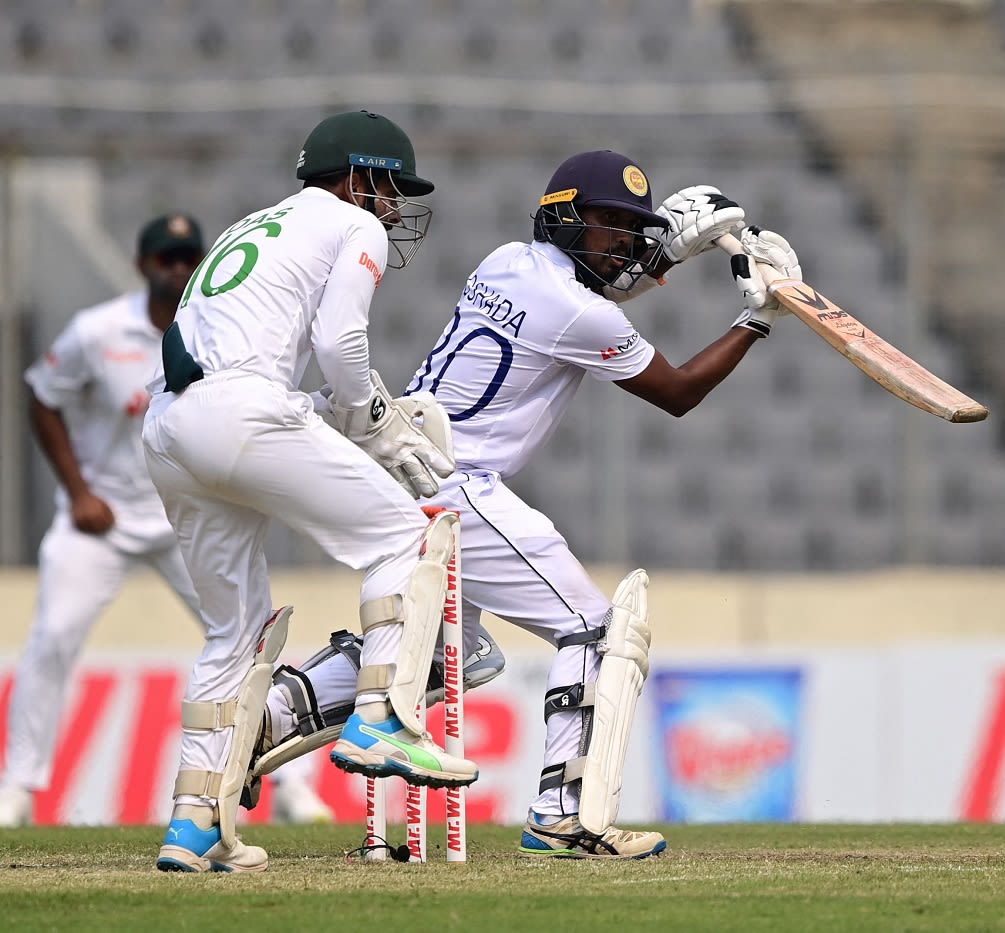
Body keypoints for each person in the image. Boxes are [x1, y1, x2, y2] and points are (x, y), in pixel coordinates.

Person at [253, 149, 804, 859]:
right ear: (565, 216)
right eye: (608, 223)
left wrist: (666, 250)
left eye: (630, 228)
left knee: (453, 654)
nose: (621, 241)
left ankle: (274, 714)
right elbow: (676, 392)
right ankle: (562, 815)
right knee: (594, 629)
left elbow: (596, 300)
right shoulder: (579, 311)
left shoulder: (508, 261)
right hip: (458, 482)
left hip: (409, 469)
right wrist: (756, 318)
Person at [141, 109, 477, 873]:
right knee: (403, 537)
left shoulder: (251, 225)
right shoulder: (352, 224)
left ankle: (194, 826)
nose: (393, 207)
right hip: (241, 411)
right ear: (358, 178)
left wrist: (353, 414)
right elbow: (340, 345)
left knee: (233, 633)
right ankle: (380, 715)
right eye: (388, 188)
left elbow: (267, 359)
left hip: (168, 424)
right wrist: (373, 424)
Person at [0, 216, 210, 828]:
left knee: (248, 635)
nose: (177, 267)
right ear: (143, 263)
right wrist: (79, 490)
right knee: (54, 638)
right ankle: (16, 787)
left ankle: (293, 785)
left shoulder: (217, 329)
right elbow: (42, 393)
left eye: (186, 257)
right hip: (101, 517)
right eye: (165, 257)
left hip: (180, 515)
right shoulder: (97, 330)